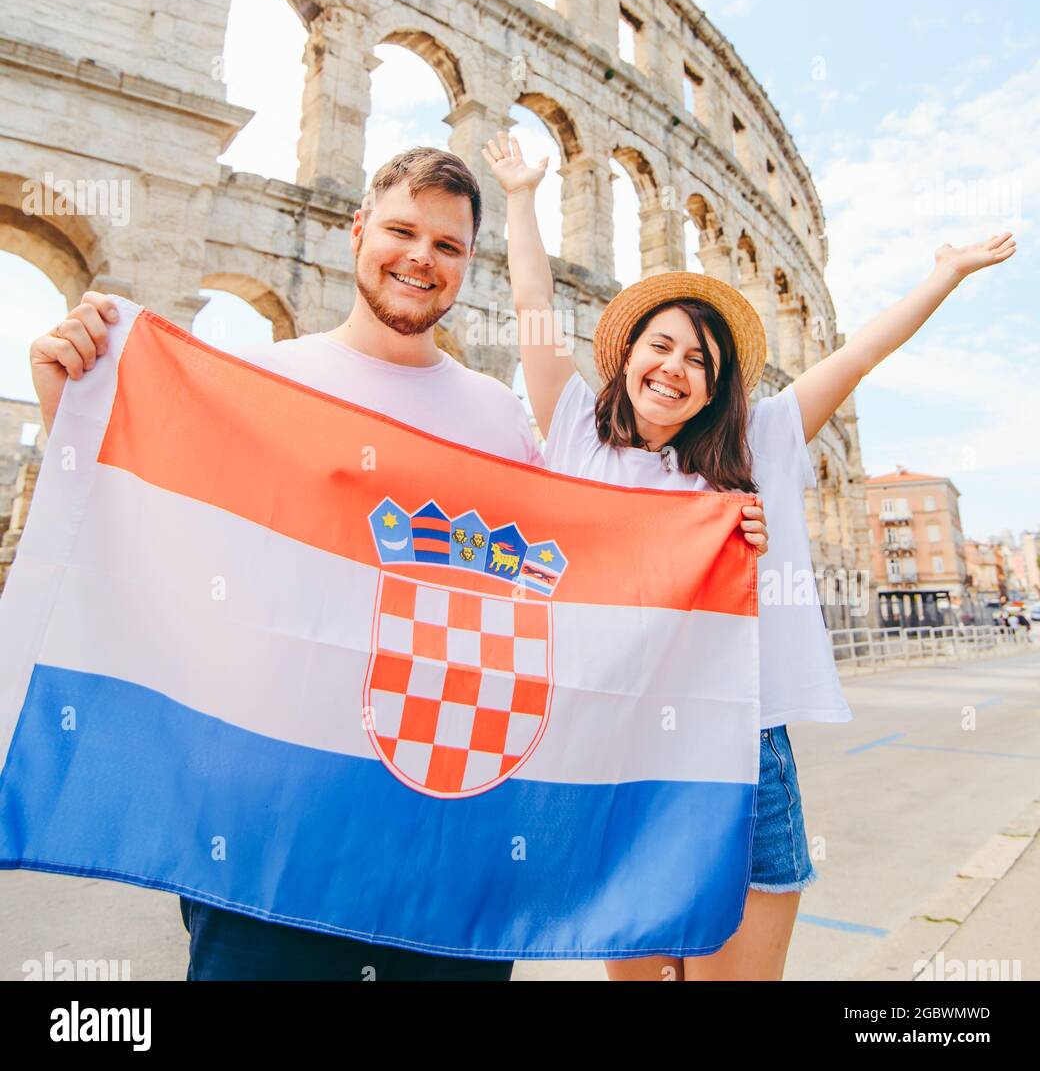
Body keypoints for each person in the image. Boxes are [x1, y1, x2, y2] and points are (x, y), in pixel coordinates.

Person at [27, 143, 769, 979]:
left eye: (447, 246)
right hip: (272, 832)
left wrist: (712, 548)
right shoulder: (262, 379)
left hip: (452, 848)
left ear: (466, 265)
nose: (421, 258)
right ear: (356, 229)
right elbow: (163, 528)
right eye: (402, 231)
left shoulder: (500, 423)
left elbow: (575, 578)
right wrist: (74, 410)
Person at [483, 128, 1016, 982]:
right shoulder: (578, 430)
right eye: (660, 346)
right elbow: (535, 315)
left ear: (717, 386)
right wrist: (520, 198)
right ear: (625, 358)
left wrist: (943, 275)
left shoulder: (761, 443)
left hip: (743, 740)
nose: (675, 368)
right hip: (623, 747)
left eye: (699, 360)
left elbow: (861, 355)